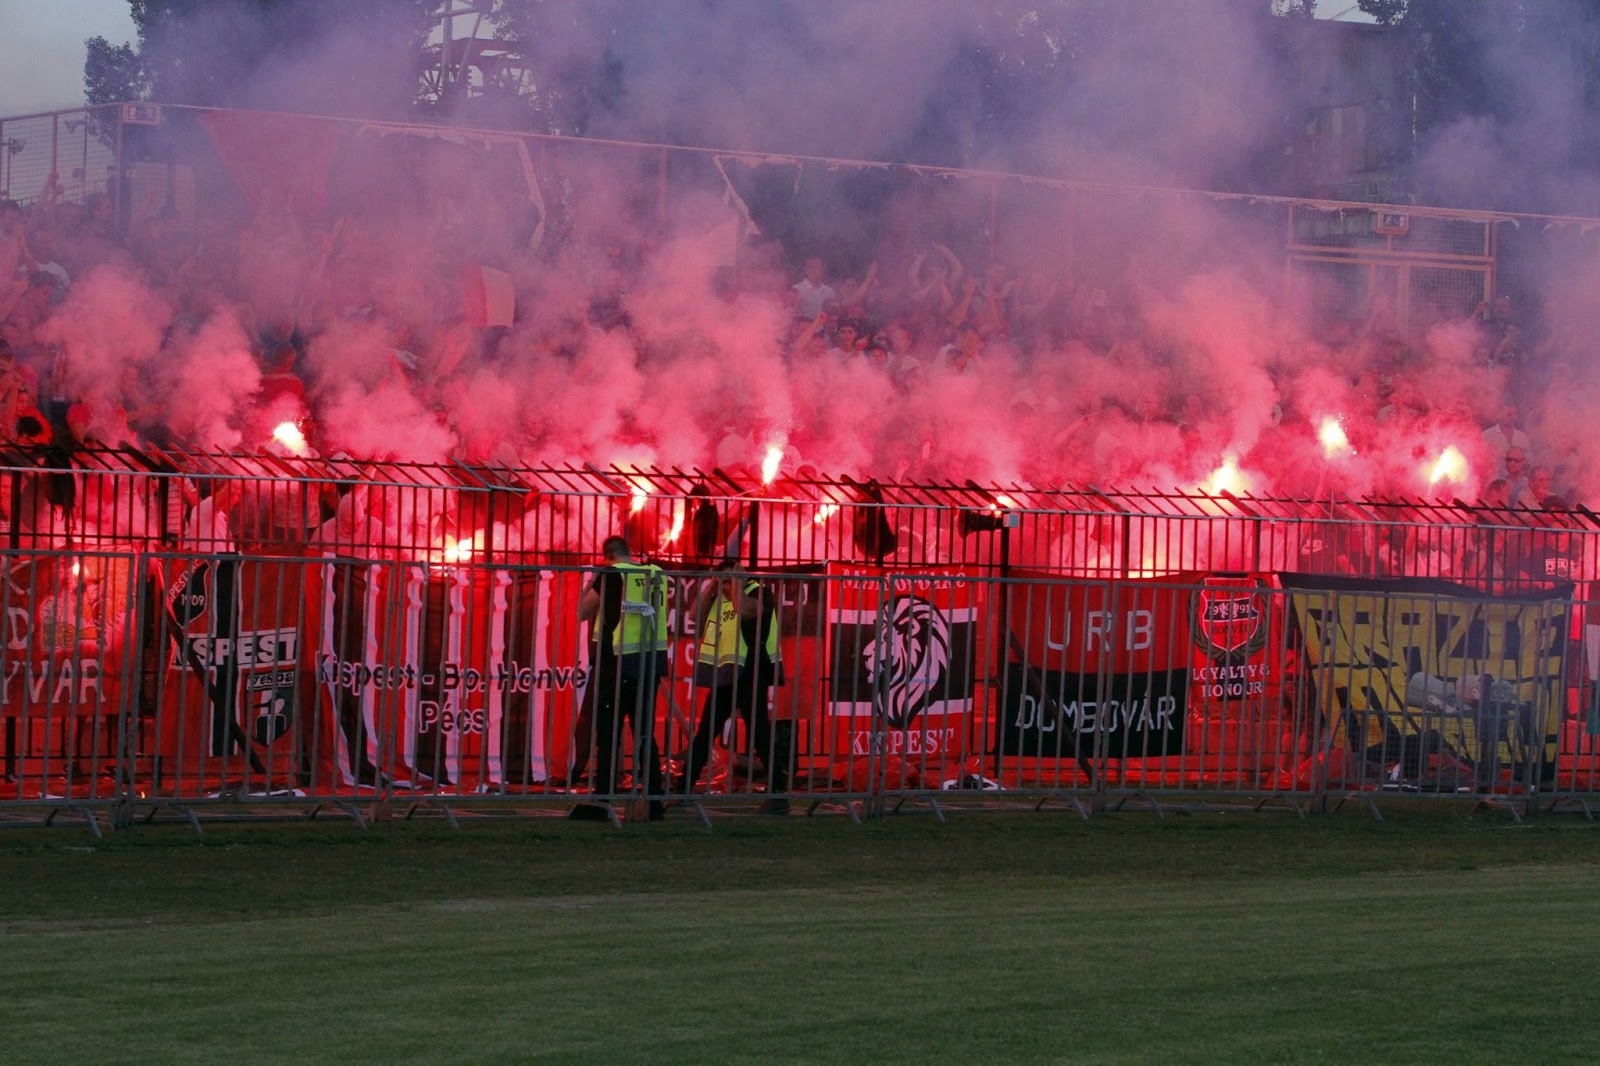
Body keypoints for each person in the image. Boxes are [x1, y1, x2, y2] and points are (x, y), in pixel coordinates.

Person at [571, 534, 669, 821]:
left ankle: (602, 799)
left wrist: (593, 578)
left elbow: (582, 611)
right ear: (629, 551)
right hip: (650, 661)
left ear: (607, 556)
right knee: (644, 733)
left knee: (607, 732)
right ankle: (653, 800)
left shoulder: (611, 574)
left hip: (616, 662)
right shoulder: (656, 573)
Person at [679, 571, 792, 813]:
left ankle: (778, 792)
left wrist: (737, 583)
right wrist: (712, 586)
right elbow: (694, 616)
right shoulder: (719, 599)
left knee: (759, 735)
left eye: (728, 581)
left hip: (751, 674)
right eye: (721, 582)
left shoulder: (759, 593)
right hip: (726, 674)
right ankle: (683, 789)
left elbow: (747, 611)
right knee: (705, 733)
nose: (724, 587)